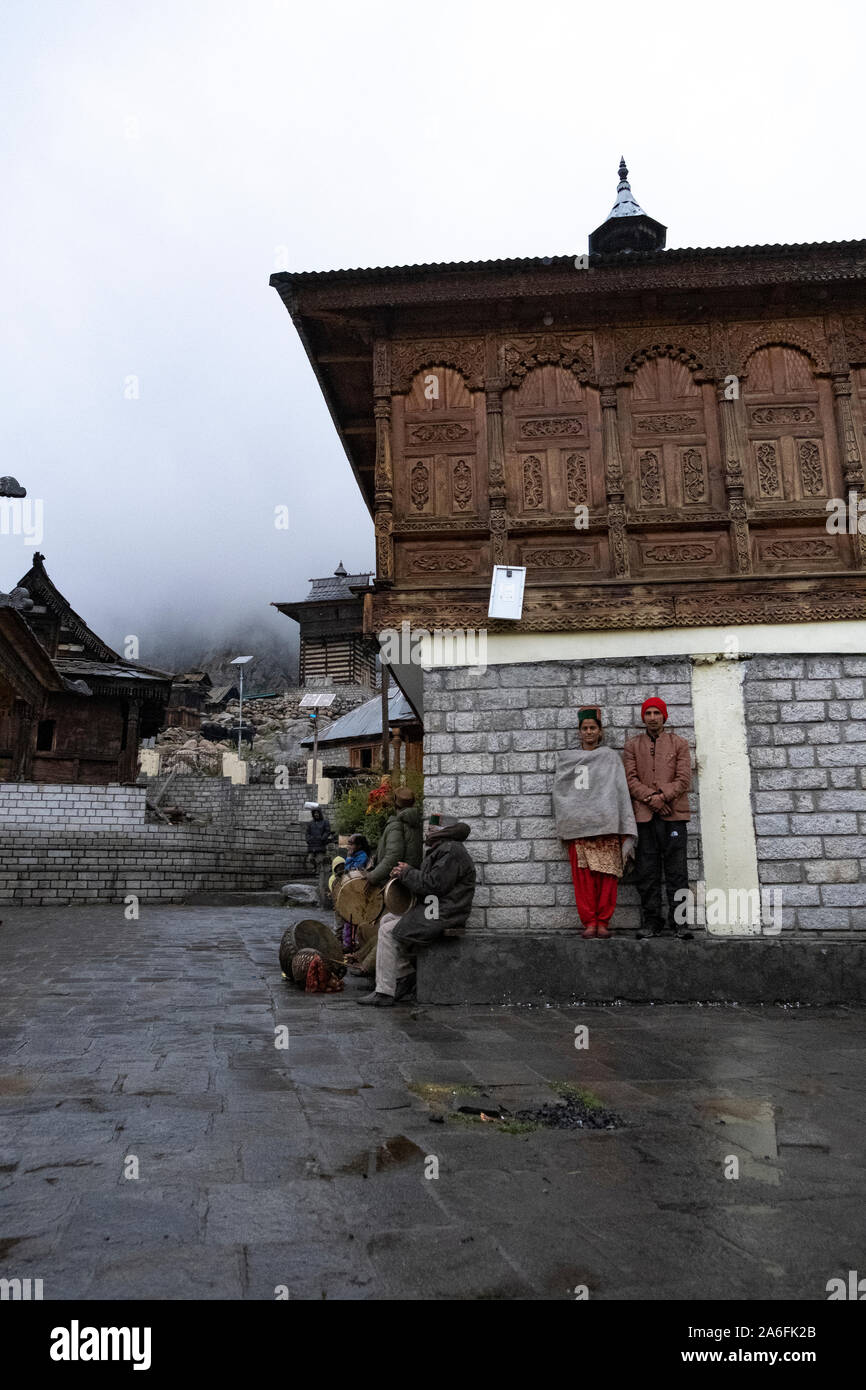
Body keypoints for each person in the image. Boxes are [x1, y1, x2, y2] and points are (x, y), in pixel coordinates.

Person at [358, 812, 476, 1007]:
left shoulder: (451, 851)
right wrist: (407, 872)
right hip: (436, 909)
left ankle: (384, 992)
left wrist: (407, 872)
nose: (427, 833)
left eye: (431, 829)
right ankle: (405, 974)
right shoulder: (444, 848)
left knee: (389, 931)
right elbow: (431, 881)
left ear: (442, 831)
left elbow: (434, 885)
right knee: (388, 921)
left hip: (444, 913)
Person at [552, 707, 637, 938]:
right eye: (584, 728)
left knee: (607, 877)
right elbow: (561, 793)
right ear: (579, 732)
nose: (588, 732)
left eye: (593, 728)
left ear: (600, 731)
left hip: (607, 826)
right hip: (580, 828)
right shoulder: (568, 760)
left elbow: (619, 791)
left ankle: (603, 922)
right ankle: (589, 921)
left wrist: (622, 824)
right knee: (583, 879)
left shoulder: (610, 757)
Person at [623, 696, 693, 937]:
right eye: (648, 713)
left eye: (656, 713)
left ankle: (680, 923)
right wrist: (653, 799)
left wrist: (662, 797)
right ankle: (652, 922)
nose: (652, 717)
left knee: (677, 870)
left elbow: (684, 779)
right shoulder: (633, 745)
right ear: (643, 717)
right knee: (648, 871)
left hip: (674, 816)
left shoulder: (679, 744)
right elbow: (630, 780)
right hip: (645, 818)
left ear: (665, 716)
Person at [347, 788, 422, 978]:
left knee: (386, 926)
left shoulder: (397, 825)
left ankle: (369, 966)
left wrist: (372, 877)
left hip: (397, 885)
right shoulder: (415, 823)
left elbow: (392, 857)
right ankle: (364, 960)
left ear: (395, 803)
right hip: (408, 882)